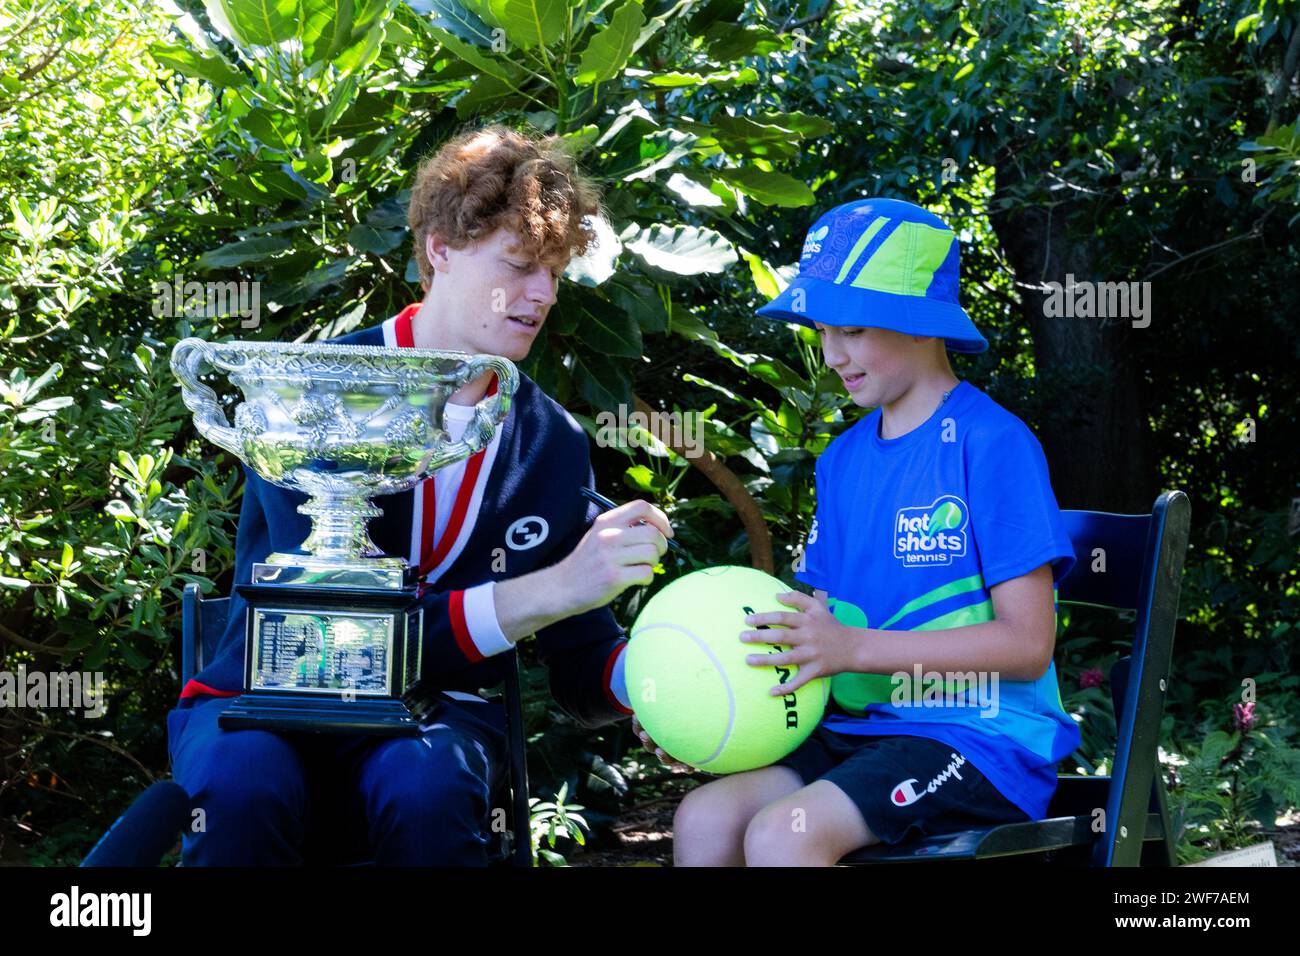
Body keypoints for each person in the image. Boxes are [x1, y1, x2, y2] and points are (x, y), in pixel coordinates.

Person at [166, 125, 673, 866]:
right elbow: (327, 633)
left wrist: (670, 679)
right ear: (440, 249)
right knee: (243, 788)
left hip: (438, 721)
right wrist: (552, 588)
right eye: (519, 264)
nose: (542, 294)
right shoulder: (309, 390)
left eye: (555, 273)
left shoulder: (552, 442)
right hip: (260, 697)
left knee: (426, 787)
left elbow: (582, 662)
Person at [656, 197, 1080, 866]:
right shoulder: (842, 460)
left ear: (919, 324)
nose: (832, 355)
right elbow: (817, 628)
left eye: (851, 330)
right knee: (704, 818)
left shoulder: (991, 444)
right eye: (822, 332)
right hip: (859, 730)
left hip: (977, 739)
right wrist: (702, 702)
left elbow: (1028, 644)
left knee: (780, 834)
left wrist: (853, 649)